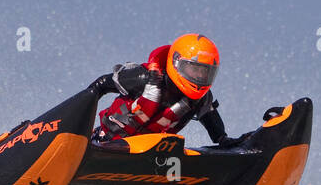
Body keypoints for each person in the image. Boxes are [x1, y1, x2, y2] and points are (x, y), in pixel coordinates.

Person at [90, 33, 245, 146]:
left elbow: (211, 120)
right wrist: (79, 126)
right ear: (177, 63)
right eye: (194, 69)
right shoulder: (143, 77)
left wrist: (223, 140)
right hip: (104, 143)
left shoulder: (201, 98)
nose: (199, 77)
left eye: (204, 72)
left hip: (149, 157)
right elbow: (100, 85)